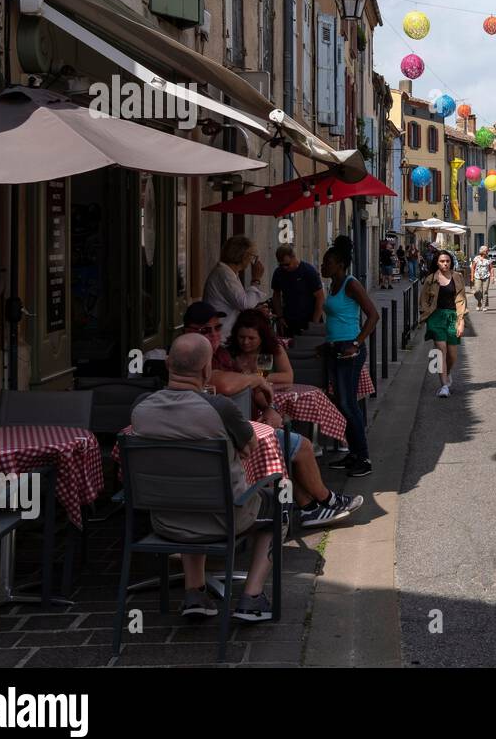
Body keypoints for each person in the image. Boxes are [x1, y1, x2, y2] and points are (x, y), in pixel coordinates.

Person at [129, 333, 277, 622]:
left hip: (165, 520)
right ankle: (252, 597)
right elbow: (250, 447)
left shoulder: (140, 407)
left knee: (186, 491)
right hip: (224, 520)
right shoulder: (220, 408)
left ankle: (194, 592)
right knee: (278, 504)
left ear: (168, 363)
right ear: (207, 369)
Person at [227, 309, 363, 528]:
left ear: (262, 336)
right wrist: (256, 384)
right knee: (300, 446)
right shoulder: (229, 358)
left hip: (254, 419)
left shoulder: (269, 351)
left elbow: (283, 379)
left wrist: (257, 381)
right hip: (246, 428)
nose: (245, 342)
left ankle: (310, 507)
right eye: (242, 337)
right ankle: (326, 499)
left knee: (289, 449)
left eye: (251, 338)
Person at [321, 236, 379, 477]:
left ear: (341, 264)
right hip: (334, 348)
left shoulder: (351, 284)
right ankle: (353, 454)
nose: (323, 266)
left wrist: (356, 343)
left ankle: (363, 458)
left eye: (328, 263)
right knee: (341, 403)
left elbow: (373, 315)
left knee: (348, 404)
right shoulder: (333, 286)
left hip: (349, 351)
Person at [420, 250, 467, 397]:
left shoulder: (457, 277)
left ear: (451, 262)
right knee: (441, 350)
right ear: (437, 263)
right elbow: (423, 300)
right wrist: (427, 316)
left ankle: (447, 372)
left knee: (452, 355)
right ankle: (444, 386)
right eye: (442, 261)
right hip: (436, 317)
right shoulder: (430, 279)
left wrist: (461, 321)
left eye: (447, 261)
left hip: (453, 317)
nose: (445, 263)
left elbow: (462, 300)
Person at [204, 235, 269, 339]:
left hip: (224, 333)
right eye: (252, 256)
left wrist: (255, 310)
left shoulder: (230, 273)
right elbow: (244, 304)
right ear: (244, 256)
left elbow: (238, 303)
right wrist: (256, 280)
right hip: (221, 336)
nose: (252, 261)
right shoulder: (225, 274)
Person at [270, 245, 324, 336]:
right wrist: (280, 317)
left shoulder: (308, 271)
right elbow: (276, 295)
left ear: (293, 257)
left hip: (308, 319)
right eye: (281, 265)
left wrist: (314, 323)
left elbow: (320, 297)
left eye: (287, 264)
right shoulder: (279, 273)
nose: (284, 268)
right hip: (289, 321)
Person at [470, 244, 492, 311]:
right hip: (477, 276)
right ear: (482, 251)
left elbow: (491, 268)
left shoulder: (488, 259)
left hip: (486, 276)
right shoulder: (476, 258)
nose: (487, 252)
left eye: (487, 251)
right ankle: (479, 302)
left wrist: (492, 277)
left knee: (485, 291)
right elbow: (473, 268)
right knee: (477, 291)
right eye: (486, 251)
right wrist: (472, 277)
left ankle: (484, 305)